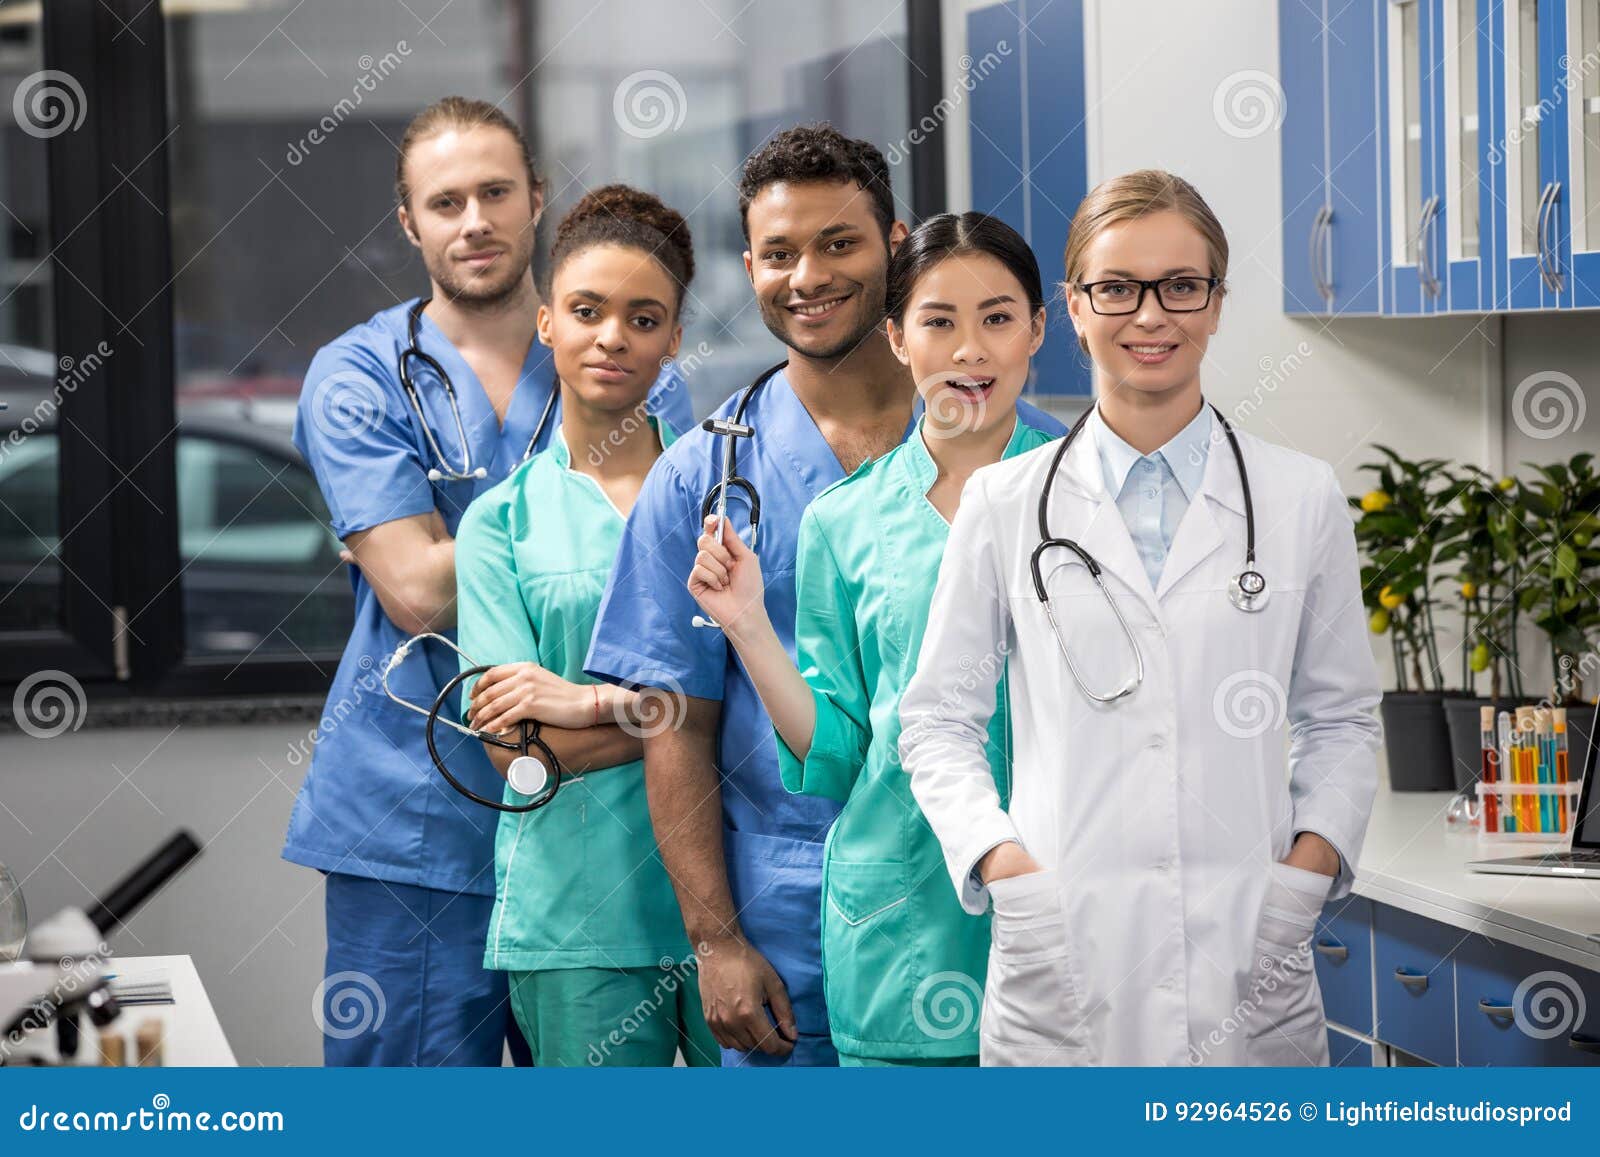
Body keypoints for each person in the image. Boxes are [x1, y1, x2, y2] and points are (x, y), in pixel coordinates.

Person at [584, 124, 1061, 1066]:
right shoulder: (701, 478)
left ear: (895, 244)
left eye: (838, 244)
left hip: (1016, 894)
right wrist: (716, 940)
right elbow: (675, 720)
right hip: (785, 915)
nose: (807, 276)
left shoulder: (1045, 465)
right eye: (777, 254)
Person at [898, 170, 1382, 1067]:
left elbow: (1343, 718)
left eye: (1180, 286)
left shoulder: (1299, 495)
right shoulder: (1008, 503)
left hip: (1250, 954)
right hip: (1066, 957)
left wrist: (1304, 874)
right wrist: (1003, 865)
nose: (1150, 316)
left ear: (1216, 304)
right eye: (1117, 288)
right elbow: (935, 720)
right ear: (1073, 309)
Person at [284, 96, 689, 1067]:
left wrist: (445, 536)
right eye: (447, 200)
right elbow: (416, 596)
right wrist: (553, 519)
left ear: (537, 198)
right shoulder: (356, 376)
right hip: (415, 815)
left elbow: (675, 573)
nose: (475, 220)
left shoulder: (633, 354)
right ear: (409, 222)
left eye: (497, 191)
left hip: (600, 808)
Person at [452, 184, 719, 1067]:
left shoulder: (725, 497)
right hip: (579, 912)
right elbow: (519, 756)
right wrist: (677, 715)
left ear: (674, 338)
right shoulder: (500, 524)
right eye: (587, 310)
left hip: (734, 898)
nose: (613, 337)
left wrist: (582, 700)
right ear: (545, 323)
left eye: (644, 319)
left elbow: (772, 705)